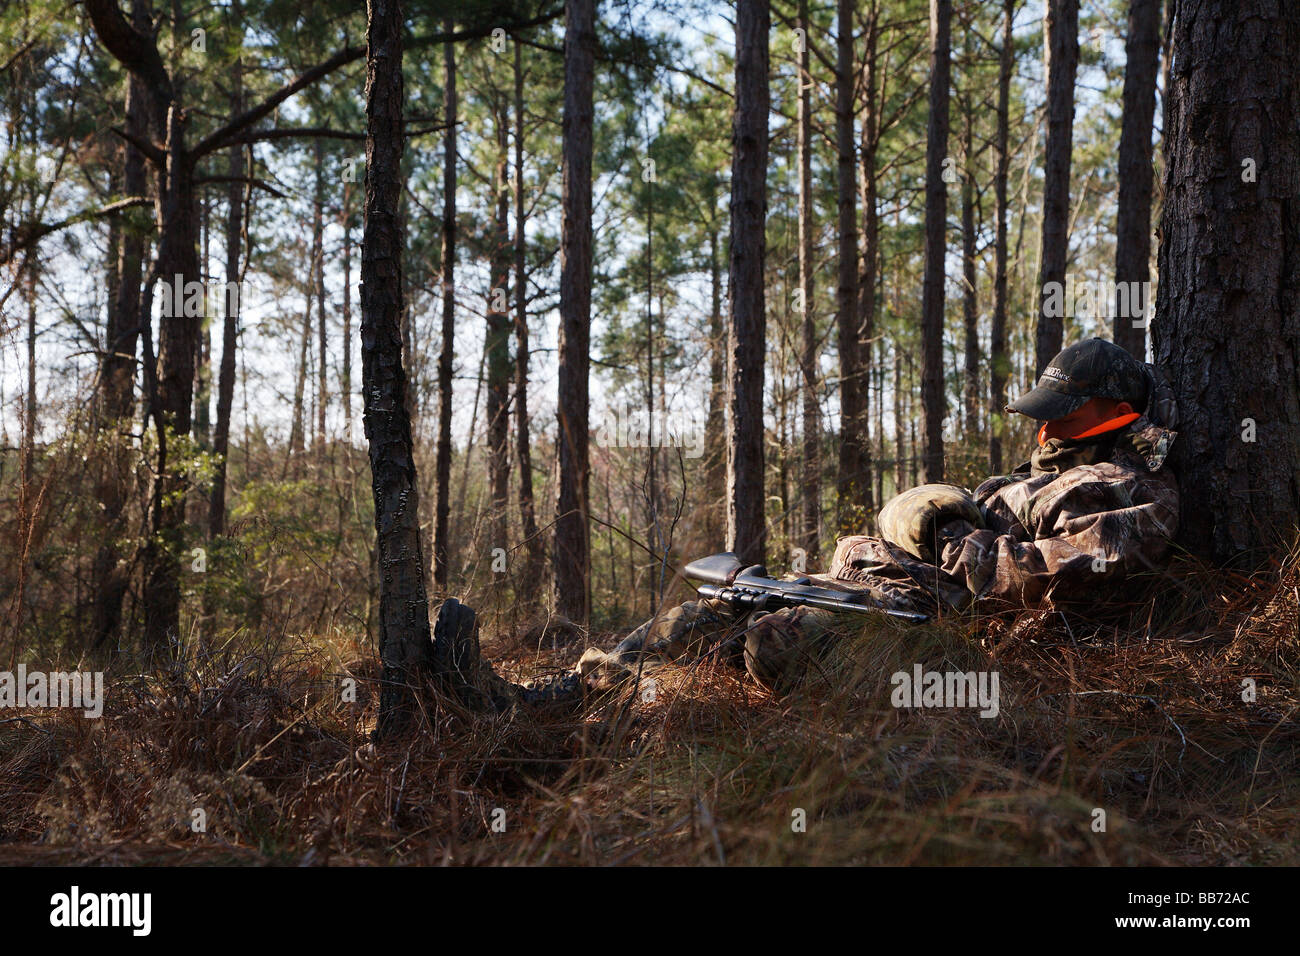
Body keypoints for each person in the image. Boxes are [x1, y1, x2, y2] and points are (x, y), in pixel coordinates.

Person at [432, 337, 1180, 708]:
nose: (1046, 429)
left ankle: (632, 719)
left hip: (935, 635)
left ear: (1107, 412)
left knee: (769, 643)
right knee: (705, 611)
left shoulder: (1126, 491)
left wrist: (946, 535)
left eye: (1065, 415)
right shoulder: (1027, 477)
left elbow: (1066, 581)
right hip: (866, 592)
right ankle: (549, 702)